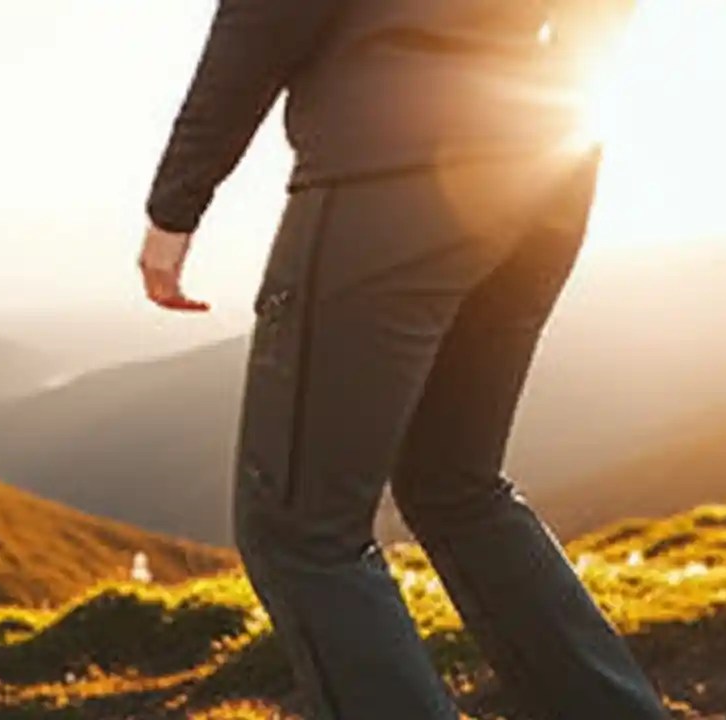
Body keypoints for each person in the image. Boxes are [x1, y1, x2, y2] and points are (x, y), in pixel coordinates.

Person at [137, 1, 668, 718]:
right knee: (456, 486)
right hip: (546, 164)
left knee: (300, 530)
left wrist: (178, 201)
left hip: (391, 175)